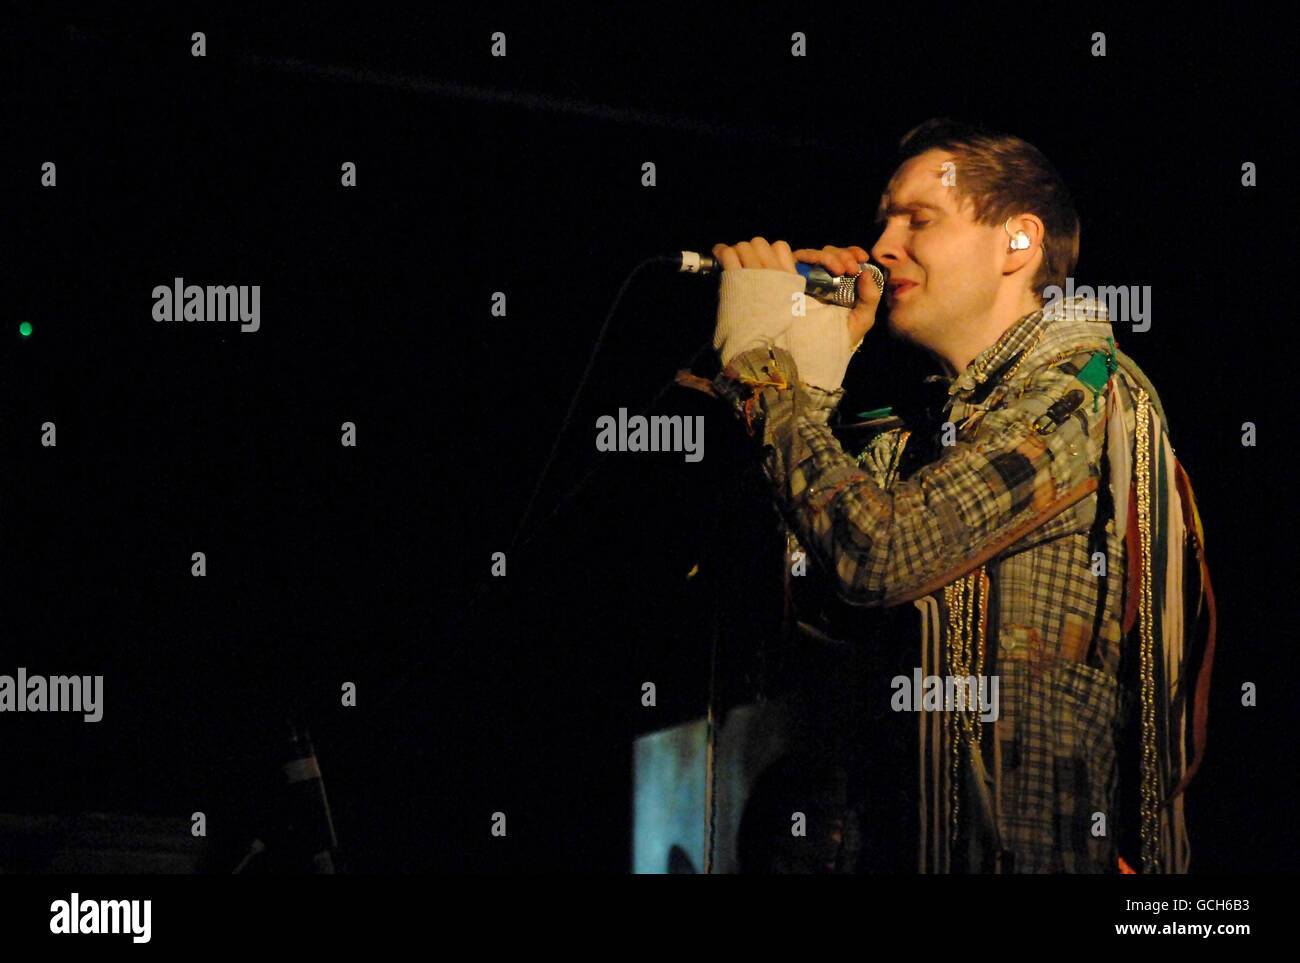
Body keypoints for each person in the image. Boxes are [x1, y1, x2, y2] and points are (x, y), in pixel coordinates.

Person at [703, 118, 1214, 873]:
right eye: (884, 218)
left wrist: (761, 371)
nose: (881, 244)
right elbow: (797, 597)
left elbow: (881, 553)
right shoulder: (924, 435)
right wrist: (808, 369)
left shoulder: (1083, 391)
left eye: (919, 218)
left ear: (1020, 242)